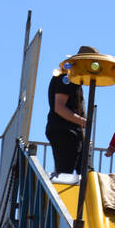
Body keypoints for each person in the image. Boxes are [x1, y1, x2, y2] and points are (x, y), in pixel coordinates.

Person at [45, 46, 92, 177]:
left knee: (86, 172)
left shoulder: (73, 78)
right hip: (65, 131)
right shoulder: (66, 77)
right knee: (65, 174)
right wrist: (83, 122)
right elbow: (59, 107)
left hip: (73, 132)